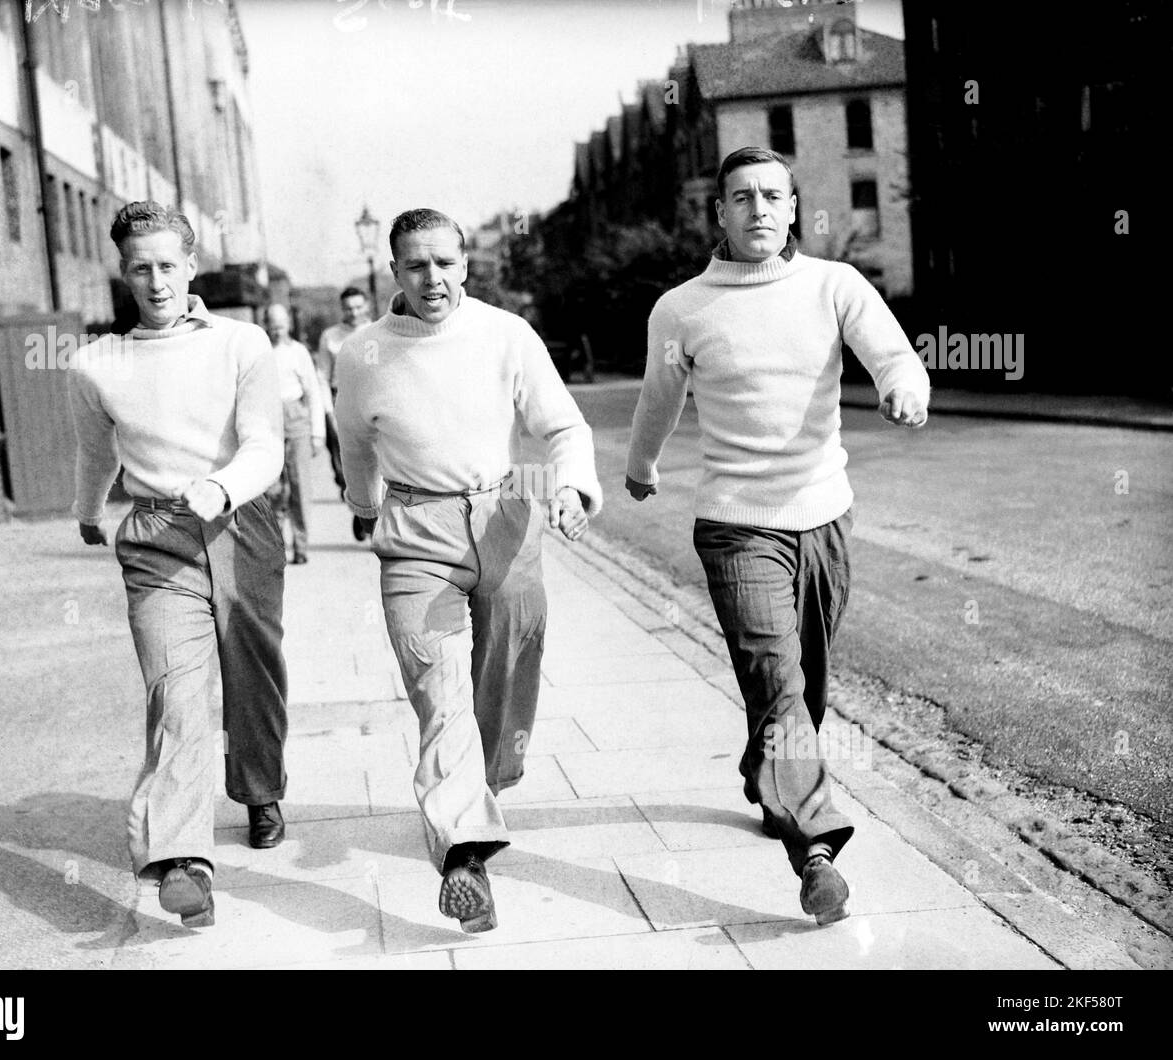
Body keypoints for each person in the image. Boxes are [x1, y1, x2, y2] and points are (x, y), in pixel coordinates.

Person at [625, 147, 930, 926]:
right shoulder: (682, 308)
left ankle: (772, 776)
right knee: (776, 680)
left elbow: (894, 357)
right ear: (718, 213)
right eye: (741, 197)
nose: (759, 209)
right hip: (735, 524)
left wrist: (902, 390)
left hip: (825, 516)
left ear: (794, 208)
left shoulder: (835, 286)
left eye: (773, 196)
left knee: (805, 687)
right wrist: (641, 465)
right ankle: (818, 852)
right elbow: (661, 397)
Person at [334, 208, 601, 933]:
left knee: (507, 668)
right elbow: (354, 442)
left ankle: (485, 783)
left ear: (465, 265)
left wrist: (573, 487)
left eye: (446, 263)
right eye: (416, 265)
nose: (433, 279)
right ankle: (464, 858)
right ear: (395, 272)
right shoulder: (361, 355)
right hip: (417, 534)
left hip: (506, 517)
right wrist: (363, 503)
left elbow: (562, 424)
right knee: (439, 691)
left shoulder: (504, 334)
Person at [69, 201, 290, 929]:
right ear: (123, 273)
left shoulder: (242, 343)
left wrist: (221, 485)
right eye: (141, 268)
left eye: (168, 264)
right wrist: (88, 508)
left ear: (191, 265)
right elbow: (98, 449)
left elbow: (265, 444)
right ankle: (183, 858)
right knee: (176, 690)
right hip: (157, 535)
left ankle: (259, 788)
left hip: (241, 522)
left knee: (252, 670)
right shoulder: (96, 364)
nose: (156, 280)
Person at [265, 303, 326, 564]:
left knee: (300, 485)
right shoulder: (261, 351)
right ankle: (275, 545)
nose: (277, 331)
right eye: (272, 325)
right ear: (266, 324)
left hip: (297, 420)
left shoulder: (298, 352)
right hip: (270, 421)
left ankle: (300, 545)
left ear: (288, 323)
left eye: (281, 325)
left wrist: (317, 433)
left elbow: (313, 391)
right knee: (274, 488)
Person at [316, 286, 372, 538]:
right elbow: (322, 376)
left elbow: (376, 372)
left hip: (368, 400)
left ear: (367, 307)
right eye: (349, 308)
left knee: (373, 463)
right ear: (342, 309)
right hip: (340, 399)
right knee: (343, 466)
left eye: (358, 307)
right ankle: (358, 509)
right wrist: (328, 412)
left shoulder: (374, 333)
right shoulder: (331, 337)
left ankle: (366, 515)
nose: (354, 312)